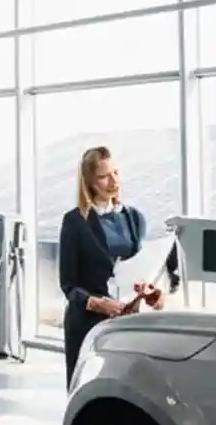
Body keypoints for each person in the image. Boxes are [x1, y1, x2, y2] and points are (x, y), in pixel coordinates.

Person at [58, 145, 177, 390]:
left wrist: (151, 292)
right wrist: (100, 303)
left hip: (127, 320)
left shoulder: (134, 217)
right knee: (87, 391)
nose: (114, 181)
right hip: (89, 323)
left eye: (116, 173)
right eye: (104, 176)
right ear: (89, 182)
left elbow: (137, 266)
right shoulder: (75, 222)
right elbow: (68, 285)